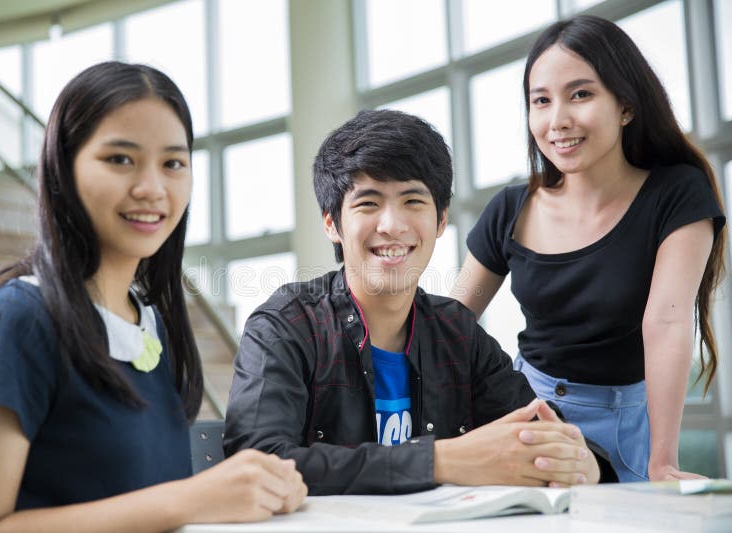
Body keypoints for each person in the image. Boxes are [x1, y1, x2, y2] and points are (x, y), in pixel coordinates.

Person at [0, 61, 306, 533]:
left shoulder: (149, 324)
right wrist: (189, 500)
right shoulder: (18, 317)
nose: (151, 188)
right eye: (120, 159)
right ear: (63, 169)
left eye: (173, 163)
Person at [224, 109, 616, 496]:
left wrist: (581, 464)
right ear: (332, 223)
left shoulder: (457, 333)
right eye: (368, 203)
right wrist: (442, 460)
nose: (392, 225)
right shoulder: (286, 326)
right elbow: (256, 462)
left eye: (413, 201)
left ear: (441, 219)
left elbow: (553, 435)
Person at [451, 15, 726, 483]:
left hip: (621, 423)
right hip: (524, 409)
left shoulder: (677, 193)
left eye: (581, 94)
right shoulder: (510, 209)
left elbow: (664, 322)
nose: (557, 120)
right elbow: (450, 325)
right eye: (541, 101)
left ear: (626, 106)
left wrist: (663, 461)